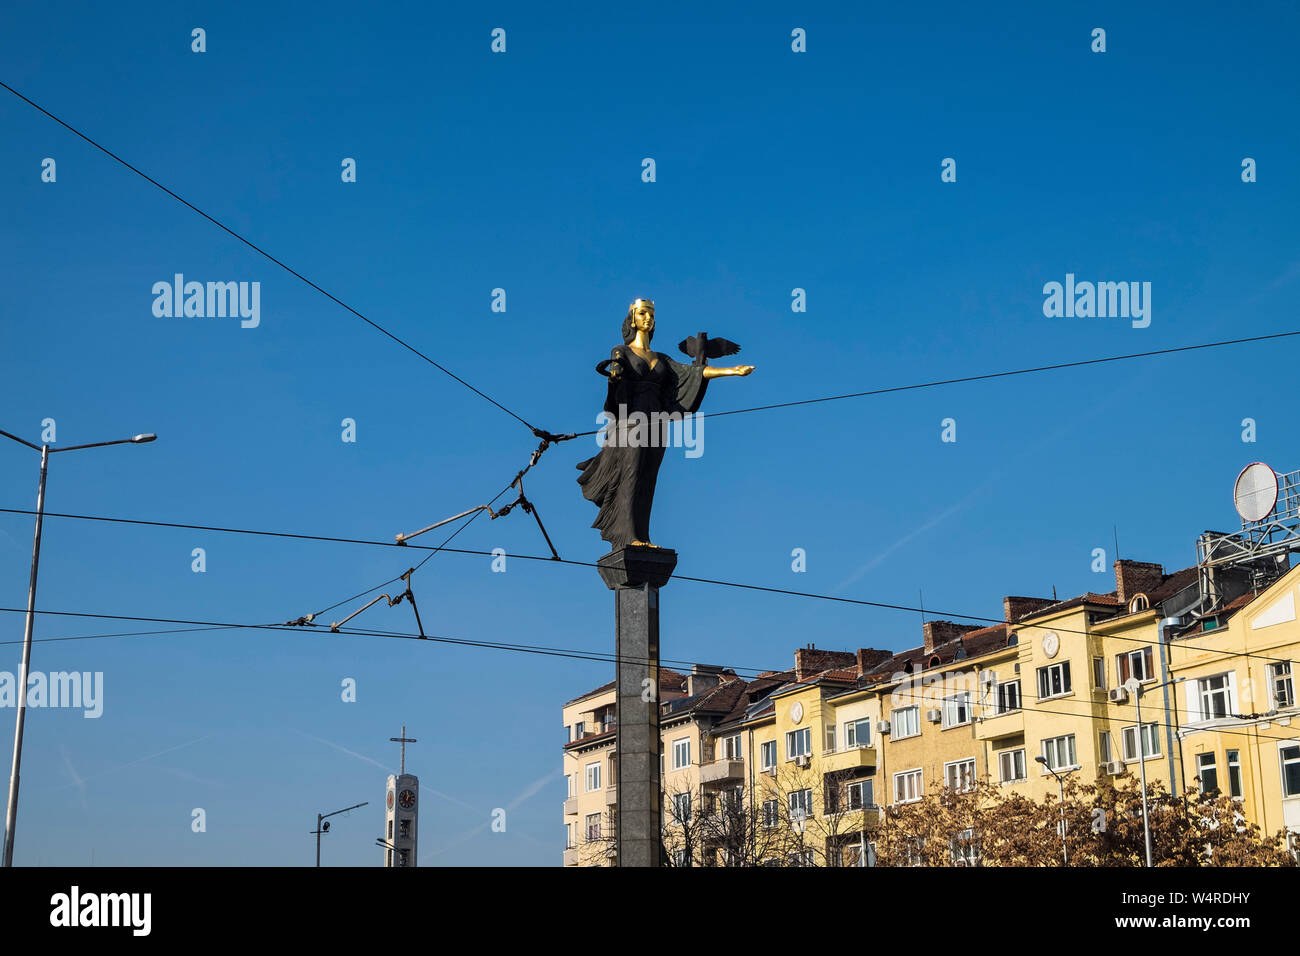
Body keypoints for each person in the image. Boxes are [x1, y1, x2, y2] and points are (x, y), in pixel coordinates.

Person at [576, 298, 754, 549]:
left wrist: (732, 370)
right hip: (632, 422)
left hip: (657, 424)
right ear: (632, 319)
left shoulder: (662, 358)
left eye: (650, 314)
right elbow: (616, 369)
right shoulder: (622, 350)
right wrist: (615, 374)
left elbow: (692, 373)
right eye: (642, 314)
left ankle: (642, 536)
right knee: (632, 475)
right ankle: (626, 537)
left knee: (648, 479)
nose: (647, 318)